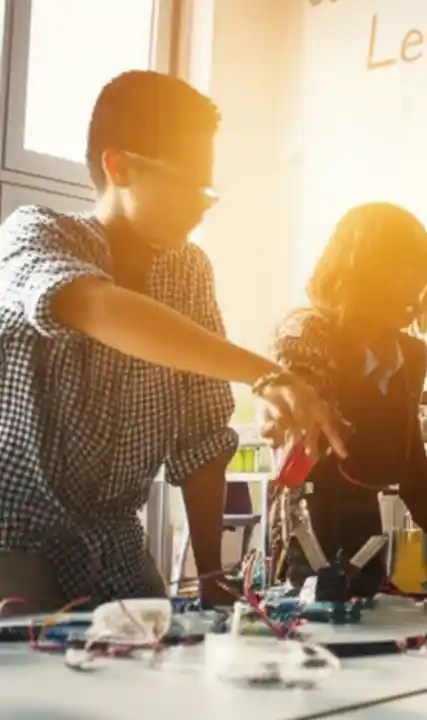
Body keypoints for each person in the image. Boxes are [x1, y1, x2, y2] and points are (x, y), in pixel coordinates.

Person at [0, 71, 341, 613]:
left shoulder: (188, 272)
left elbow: (202, 436)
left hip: (117, 552)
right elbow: (96, 306)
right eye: (189, 184)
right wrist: (266, 373)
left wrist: (211, 572)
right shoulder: (36, 234)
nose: (203, 204)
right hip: (17, 543)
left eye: (209, 189)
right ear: (121, 167)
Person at [262, 203, 427, 596]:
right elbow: (302, 437)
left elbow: (413, 473)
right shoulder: (306, 335)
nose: (416, 291)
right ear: (366, 273)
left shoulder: (409, 355)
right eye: (405, 266)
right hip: (306, 541)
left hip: (367, 543)